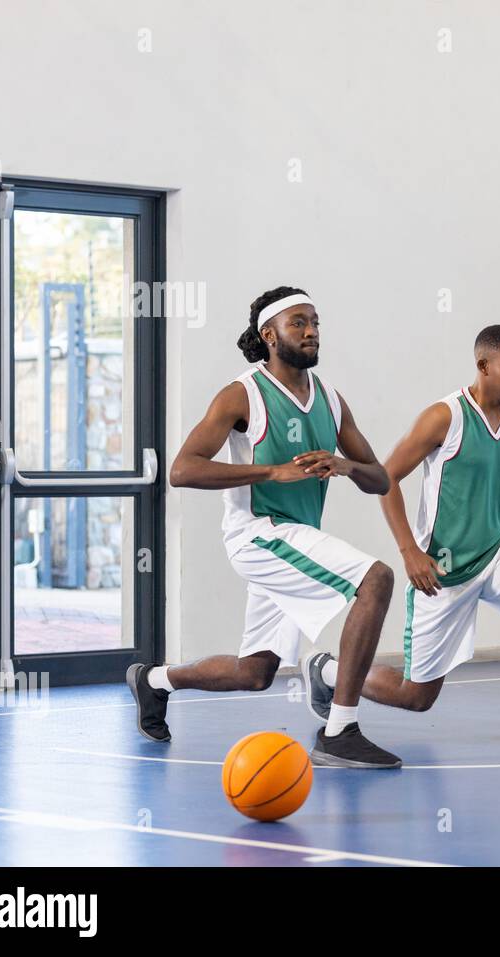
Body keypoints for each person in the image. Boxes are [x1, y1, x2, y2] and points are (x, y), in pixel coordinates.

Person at [129, 286, 402, 768]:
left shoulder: (331, 400)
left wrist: (345, 465)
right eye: (299, 322)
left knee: (255, 673)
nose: (312, 331)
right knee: (375, 578)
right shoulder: (243, 394)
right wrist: (269, 471)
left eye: (316, 321)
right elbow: (183, 470)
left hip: (294, 540)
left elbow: (380, 479)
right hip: (259, 534)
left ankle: (152, 680)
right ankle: (340, 729)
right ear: (269, 334)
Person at [304, 325, 500, 745]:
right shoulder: (446, 416)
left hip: (498, 550)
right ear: (483, 366)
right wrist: (409, 551)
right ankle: (328, 670)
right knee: (416, 697)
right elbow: (387, 479)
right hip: (444, 569)